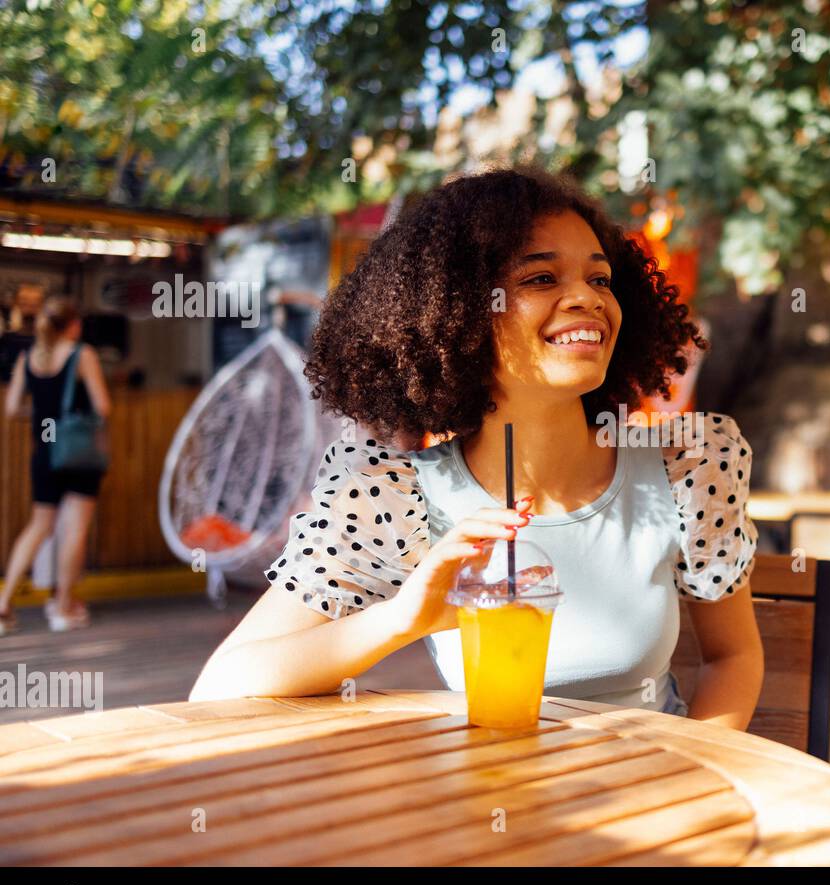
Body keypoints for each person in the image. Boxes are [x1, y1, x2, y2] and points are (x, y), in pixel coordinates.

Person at [191, 166, 765, 729]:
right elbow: (222, 685)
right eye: (541, 279)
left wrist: (680, 777)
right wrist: (400, 619)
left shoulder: (685, 467)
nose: (587, 299)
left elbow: (732, 658)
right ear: (458, 313)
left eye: (599, 279)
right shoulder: (392, 494)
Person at [1, 297, 111, 635]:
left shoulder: (28, 358)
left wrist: (43, 416)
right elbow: (102, 406)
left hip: (45, 452)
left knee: (39, 526)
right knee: (73, 529)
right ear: (73, 324)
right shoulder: (83, 355)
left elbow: (12, 408)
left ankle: (3, 604)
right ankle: (63, 607)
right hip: (78, 453)